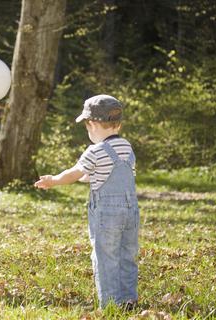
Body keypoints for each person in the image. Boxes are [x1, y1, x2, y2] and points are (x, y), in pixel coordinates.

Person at [34, 94, 139, 309]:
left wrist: (54, 180)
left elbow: (75, 173)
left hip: (106, 215)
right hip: (130, 212)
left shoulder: (95, 151)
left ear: (92, 124)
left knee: (106, 257)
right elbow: (118, 173)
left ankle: (110, 305)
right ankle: (129, 300)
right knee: (127, 256)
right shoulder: (127, 147)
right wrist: (88, 177)